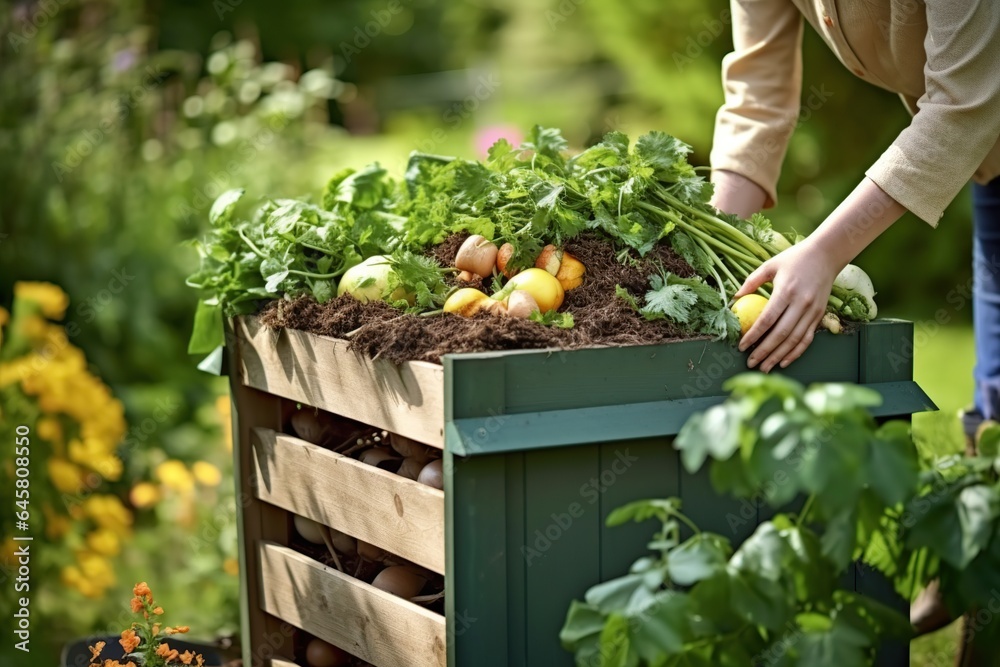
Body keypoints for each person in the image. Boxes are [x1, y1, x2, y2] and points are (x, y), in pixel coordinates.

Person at [708, 1, 1000, 663]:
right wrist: (713, 252)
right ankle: (979, 578)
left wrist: (824, 251)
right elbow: (757, 94)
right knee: (997, 402)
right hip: (994, 153)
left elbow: (960, 104)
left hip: (982, 116)